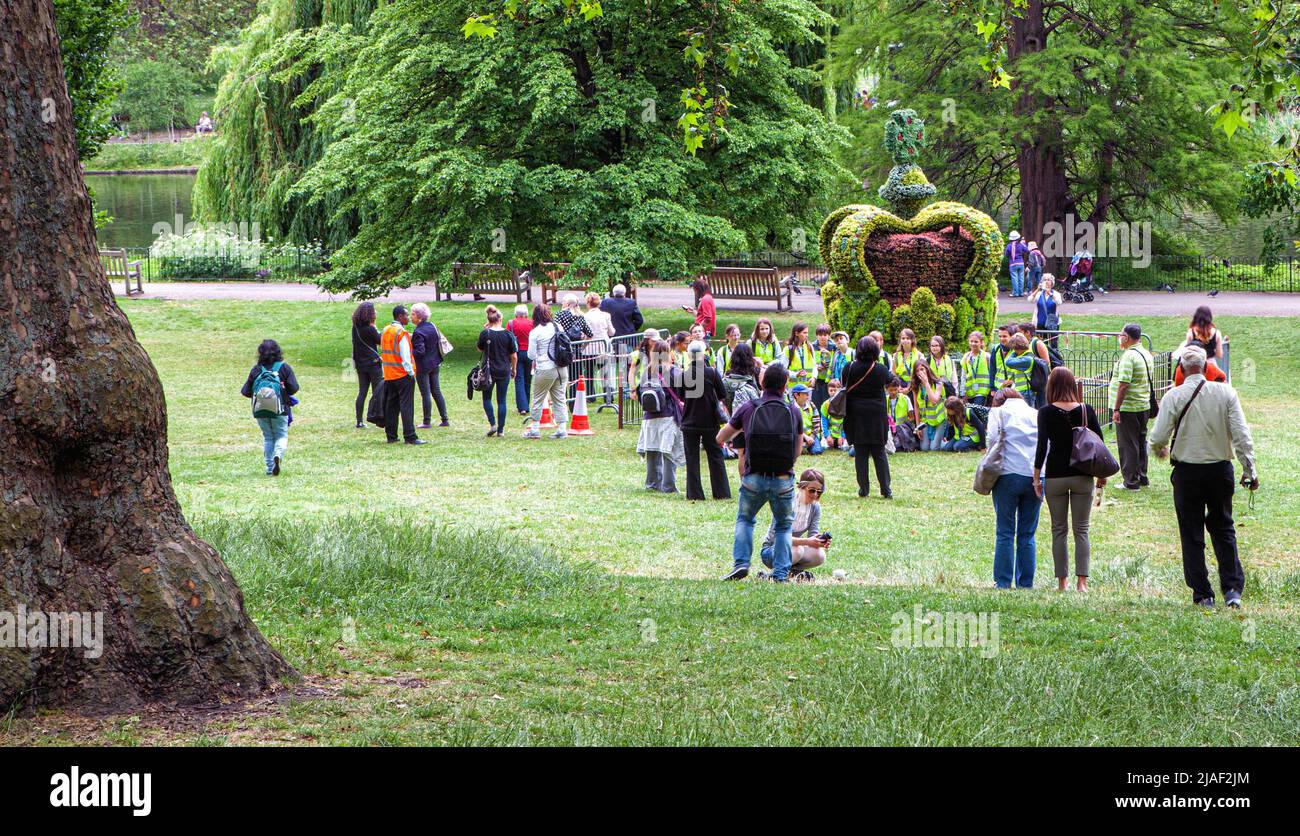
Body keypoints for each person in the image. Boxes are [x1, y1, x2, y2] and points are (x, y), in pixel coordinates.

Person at [1149, 345, 1258, 609]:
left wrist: (1160, 449)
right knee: (1223, 527)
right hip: (1220, 470)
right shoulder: (1226, 393)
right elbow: (1241, 434)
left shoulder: (1174, 396)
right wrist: (1249, 468)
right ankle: (1232, 589)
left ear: (1182, 369)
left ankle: (1202, 593)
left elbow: (1158, 437)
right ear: (1206, 368)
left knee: (1191, 531)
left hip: (1188, 472)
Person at [718, 363, 805, 582]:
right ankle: (781, 573)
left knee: (745, 519)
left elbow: (721, 437)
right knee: (784, 526)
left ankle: (741, 563)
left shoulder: (749, 407)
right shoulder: (793, 411)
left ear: (761, 383)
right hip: (783, 477)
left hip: (754, 475)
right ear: (786, 385)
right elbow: (797, 450)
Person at [1033, 367, 1105, 592]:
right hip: (1082, 475)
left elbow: (1042, 447)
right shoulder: (1086, 410)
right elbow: (1099, 445)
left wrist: (1037, 478)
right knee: (1081, 530)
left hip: (1055, 475)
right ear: (1073, 385)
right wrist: (1101, 475)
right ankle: (1082, 583)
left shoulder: (1045, 412)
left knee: (1059, 530)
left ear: (1051, 386)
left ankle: (1061, 582)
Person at [987, 388, 1040, 588]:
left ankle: (1002, 581)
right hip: (1033, 476)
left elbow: (992, 440)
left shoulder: (997, 413)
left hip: (1006, 474)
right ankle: (1025, 582)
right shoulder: (1036, 414)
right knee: (1027, 533)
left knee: (1005, 532)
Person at [675, 340, 731, 500]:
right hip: (709, 421)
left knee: (692, 458)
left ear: (689, 355)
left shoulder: (684, 375)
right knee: (715, 455)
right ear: (704, 353)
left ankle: (694, 493)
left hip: (689, 421)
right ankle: (721, 492)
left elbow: (681, 396)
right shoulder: (712, 373)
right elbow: (722, 394)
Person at [841, 336, 892, 497]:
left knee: (861, 454)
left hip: (856, 415)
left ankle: (864, 489)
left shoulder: (849, 368)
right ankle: (886, 489)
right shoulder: (881, 369)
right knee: (879, 453)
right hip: (877, 415)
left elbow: (844, 384)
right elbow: (891, 380)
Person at [240, 339, 299, 475]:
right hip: (280, 409)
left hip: (260, 409)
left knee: (268, 437)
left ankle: (269, 468)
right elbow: (294, 387)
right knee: (281, 435)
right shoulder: (284, 368)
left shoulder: (256, 370)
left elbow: (245, 391)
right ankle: (277, 455)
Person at [759, 469, 830, 582]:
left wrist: (819, 541)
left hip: (794, 549)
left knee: (819, 555)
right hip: (771, 551)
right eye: (812, 490)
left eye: (819, 492)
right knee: (798, 550)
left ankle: (792, 572)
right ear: (801, 487)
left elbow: (812, 535)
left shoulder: (815, 507)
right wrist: (807, 541)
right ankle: (777, 574)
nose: (815, 495)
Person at [1109, 323, 1155, 490]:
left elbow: (1123, 384)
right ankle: (1142, 476)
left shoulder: (1129, 356)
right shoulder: (1146, 353)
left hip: (1128, 408)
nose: (1120, 338)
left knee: (1128, 444)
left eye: (1121, 335)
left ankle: (1130, 481)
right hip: (1143, 405)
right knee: (1140, 441)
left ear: (1127, 337)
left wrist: (1116, 409)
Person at [637, 340, 684, 492]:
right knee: (668, 451)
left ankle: (652, 483)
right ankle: (668, 486)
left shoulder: (647, 372)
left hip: (649, 417)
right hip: (668, 415)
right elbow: (682, 392)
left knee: (652, 450)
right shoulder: (674, 371)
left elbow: (640, 394)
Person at [380, 306, 424, 445]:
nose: (408, 317)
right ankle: (410, 436)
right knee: (406, 405)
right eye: (406, 315)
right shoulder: (401, 333)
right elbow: (405, 356)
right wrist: (410, 373)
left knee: (391, 405)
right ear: (399, 316)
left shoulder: (386, 330)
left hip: (389, 374)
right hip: (402, 374)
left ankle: (391, 435)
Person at [524, 304, 569, 440]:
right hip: (561, 367)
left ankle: (535, 428)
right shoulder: (558, 327)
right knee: (560, 397)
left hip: (545, 368)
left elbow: (531, 355)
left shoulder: (535, 332)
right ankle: (562, 428)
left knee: (538, 398)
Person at [476, 305, 517, 436]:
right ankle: (501, 430)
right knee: (502, 400)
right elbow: (514, 355)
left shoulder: (485, 333)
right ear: (500, 319)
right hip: (504, 369)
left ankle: (492, 424)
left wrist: (485, 330)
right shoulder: (508, 334)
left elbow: (480, 349)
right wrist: (513, 368)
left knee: (487, 399)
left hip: (488, 370)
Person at [410, 303, 449, 429]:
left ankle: (426, 422)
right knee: (436, 391)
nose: (411, 316)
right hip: (435, 363)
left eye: (413, 314)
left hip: (423, 367)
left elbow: (420, 351)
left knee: (425, 393)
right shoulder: (432, 326)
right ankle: (445, 419)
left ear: (420, 317)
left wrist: (408, 352)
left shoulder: (418, 332)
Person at [351, 301, 382, 428]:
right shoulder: (370, 329)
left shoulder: (355, 328)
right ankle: (377, 416)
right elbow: (380, 340)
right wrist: (375, 327)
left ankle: (359, 420)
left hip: (360, 364)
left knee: (362, 392)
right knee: (377, 391)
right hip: (373, 364)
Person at [583, 292, 617, 406]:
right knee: (605, 373)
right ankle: (608, 396)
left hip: (589, 348)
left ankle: (590, 396)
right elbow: (612, 332)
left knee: (589, 373)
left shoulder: (585, 316)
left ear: (588, 303)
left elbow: (584, 333)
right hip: (604, 347)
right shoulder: (606, 315)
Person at [912, 360, 947, 451]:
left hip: (939, 419)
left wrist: (926, 383)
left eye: (922, 369)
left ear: (927, 369)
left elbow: (934, 401)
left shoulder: (938, 383)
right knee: (924, 448)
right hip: (925, 421)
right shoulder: (916, 386)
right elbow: (916, 406)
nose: (920, 372)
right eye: (917, 371)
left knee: (934, 448)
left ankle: (946, 441)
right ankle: (939, 440)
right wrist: (918, 426)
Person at [507, 304, 534, 415]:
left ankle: (522, 407)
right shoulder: (532, 323)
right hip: (529, 353)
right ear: (526, 313)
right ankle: (526, 403)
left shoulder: (511, 323)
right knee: (528, 380)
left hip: (517, 352)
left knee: (519, 379)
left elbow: (508, 337)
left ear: (516, 313)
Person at [960, 330, 991, 406]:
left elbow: (992, 373)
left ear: (981, 342)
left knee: (977, 412)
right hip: (969, 392)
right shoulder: (966, 357)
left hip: (982, 392)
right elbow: (963, 376)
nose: (973, 343)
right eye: (971, 341)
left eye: (976, 342)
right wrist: (962, 393)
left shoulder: (986, 356)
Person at [1028, 273, 1062, 342]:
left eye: (1048, 280)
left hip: (1052, 323)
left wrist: (1050, 294)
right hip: (1040, 322)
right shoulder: (1039, 294)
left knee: (1053, 344)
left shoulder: (1056, 294)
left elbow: (1059, 302)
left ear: (1052, 282)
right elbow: (1030, 300)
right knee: (1042, 343)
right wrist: (1037, 289)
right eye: (1044, 280)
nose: (1046, 282)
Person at [791, 384, 822, 454]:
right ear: (796, 395)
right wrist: (804, 437)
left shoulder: (812, 405)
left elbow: (816, 423)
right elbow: (792, 426)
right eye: (805, 394)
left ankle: (805, 447)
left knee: (817, 451)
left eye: (808, 393)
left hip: (811, 435)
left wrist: (812, 436)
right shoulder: (791, 408)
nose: (808, 396)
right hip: (797, 435)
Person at [785, 323, 817, 388]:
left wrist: (814, 378)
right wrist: (796, 374)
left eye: (807, 333)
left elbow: (814, 365)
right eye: (804, 333)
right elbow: (783, 370)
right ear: (796, 333)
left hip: (808, 387)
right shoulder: (788, 349)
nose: (807, 335)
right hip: (793, 388)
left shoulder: (809, 346)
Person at [891, 328, 922, 394]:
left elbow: (921, 374)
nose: (905, 340)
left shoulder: (919, 355)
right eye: (903, 338)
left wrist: (909, 388)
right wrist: (898, 386)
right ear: (900, 340)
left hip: (915, 387)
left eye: (908, 338)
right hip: (900, 387)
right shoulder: (896, 355)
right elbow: (894, 374)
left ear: (912, 340)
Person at [820, 378, 848, 451]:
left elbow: (846, 423)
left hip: (841, 433)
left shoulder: (845, 404)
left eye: (835, 390)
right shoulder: (825, 405)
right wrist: (827, 436)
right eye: (831, 390)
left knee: (845, 447)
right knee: (823, 447)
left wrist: (842, 436)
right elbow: (823, 422)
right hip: (830, 433)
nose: (833, 392)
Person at [811, 324, 835, 407]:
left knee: (827, 405)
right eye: (820, 335)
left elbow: (835, 363)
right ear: (817, 335)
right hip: (816, 381)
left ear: (829, 336)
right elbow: (810, 362)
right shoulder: (812, 347)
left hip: (829, 381)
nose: (823, 337)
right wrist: (816, 367)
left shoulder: (834, 347)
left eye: (825, 335)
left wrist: (827, 365)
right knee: (816, 404)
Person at [1005, 230, 1029, 297]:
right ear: (1018, 237)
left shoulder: (1009, 246)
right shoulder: (1021, 244)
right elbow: (1027, 250)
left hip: (1012, 264)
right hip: (1021, 263)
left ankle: (1015, 293)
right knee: (1021, 278)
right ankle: (1021, 293)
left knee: (1014, 278)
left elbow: (1006, 255)